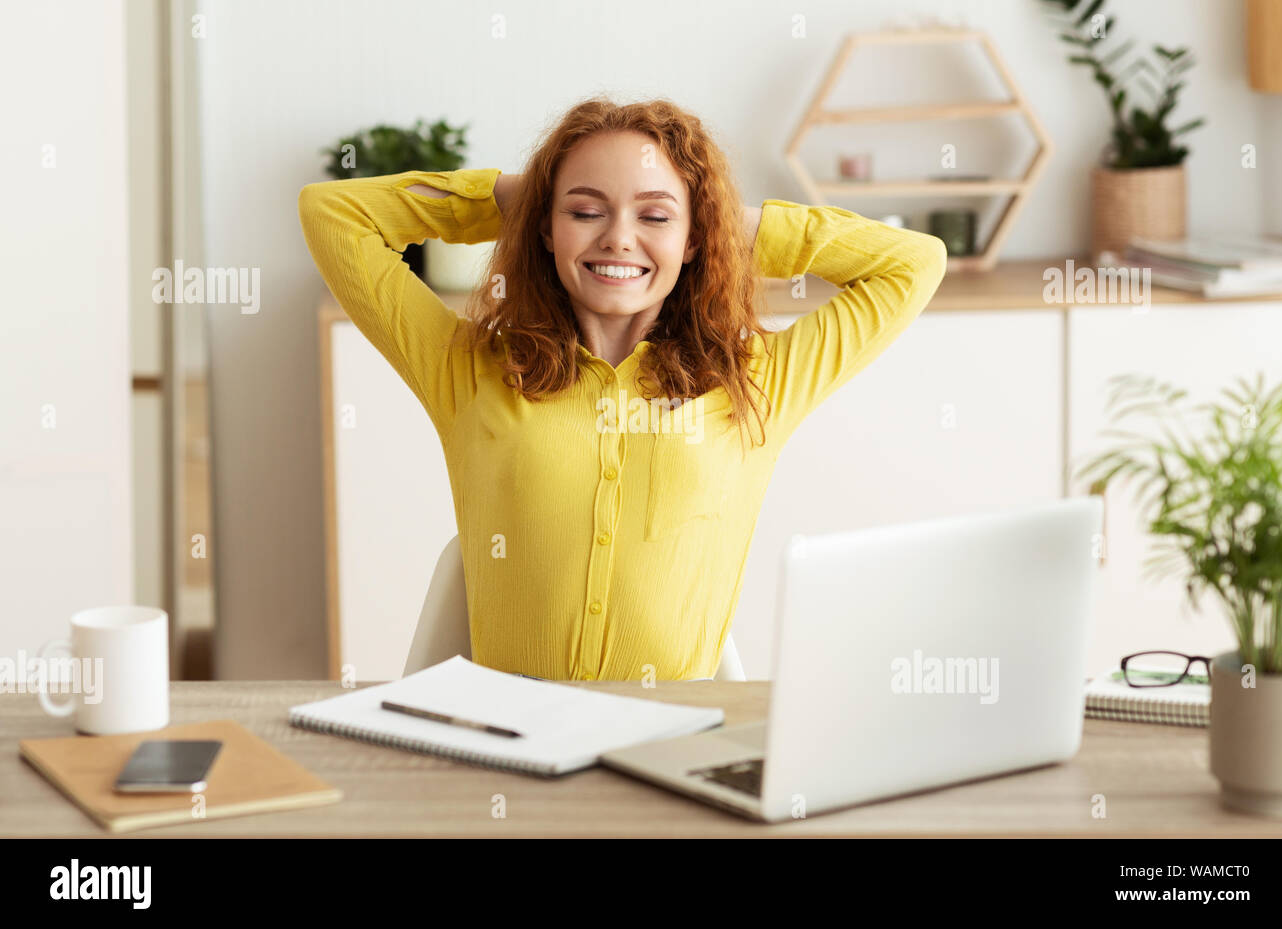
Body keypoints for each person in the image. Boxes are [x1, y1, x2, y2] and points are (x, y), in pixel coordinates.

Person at [297, 95, 947, 682]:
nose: (618, 238)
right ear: (545, 229)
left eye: (655, 217)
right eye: (585, 210)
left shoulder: (756, 378)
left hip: (671, 757)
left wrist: (724, 218)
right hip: (510, 754)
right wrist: (507, 199)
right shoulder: (469, 369)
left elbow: (914, 263)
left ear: (695, 238)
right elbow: (331, 212)